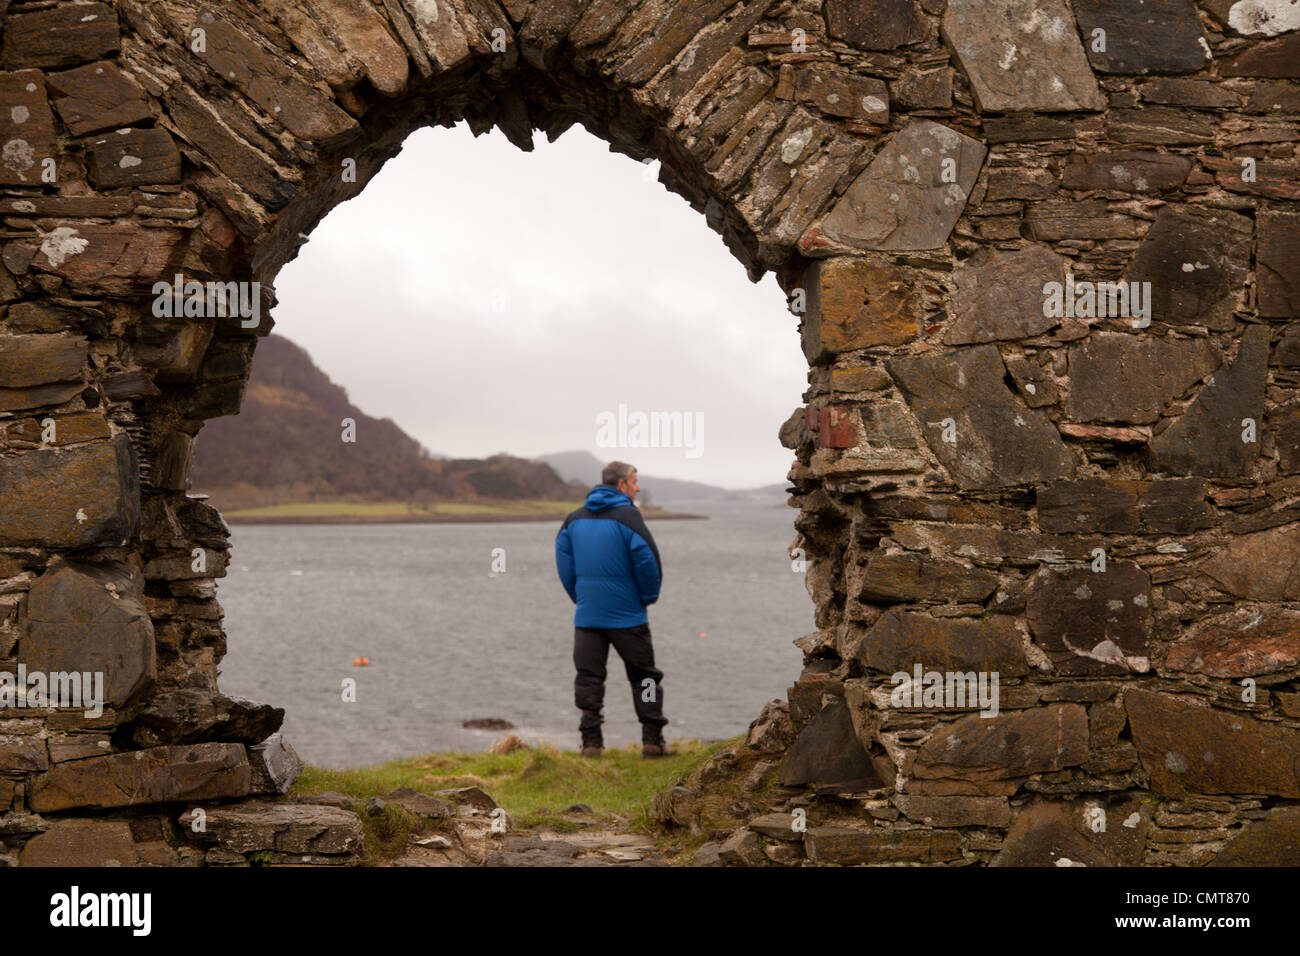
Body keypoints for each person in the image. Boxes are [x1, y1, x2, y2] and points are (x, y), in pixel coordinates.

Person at [554, 461, 673, 758]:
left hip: (588, 615)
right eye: (634, 481)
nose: (638, 486)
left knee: (589, 678)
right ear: (621, 485)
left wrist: (581, 598)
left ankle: (591, 744)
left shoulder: (573, 519)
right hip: (628, 616)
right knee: (644, 677)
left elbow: (564, 564)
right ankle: (652, 740)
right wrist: (645, 597)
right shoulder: (629, 518)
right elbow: (647, 562)